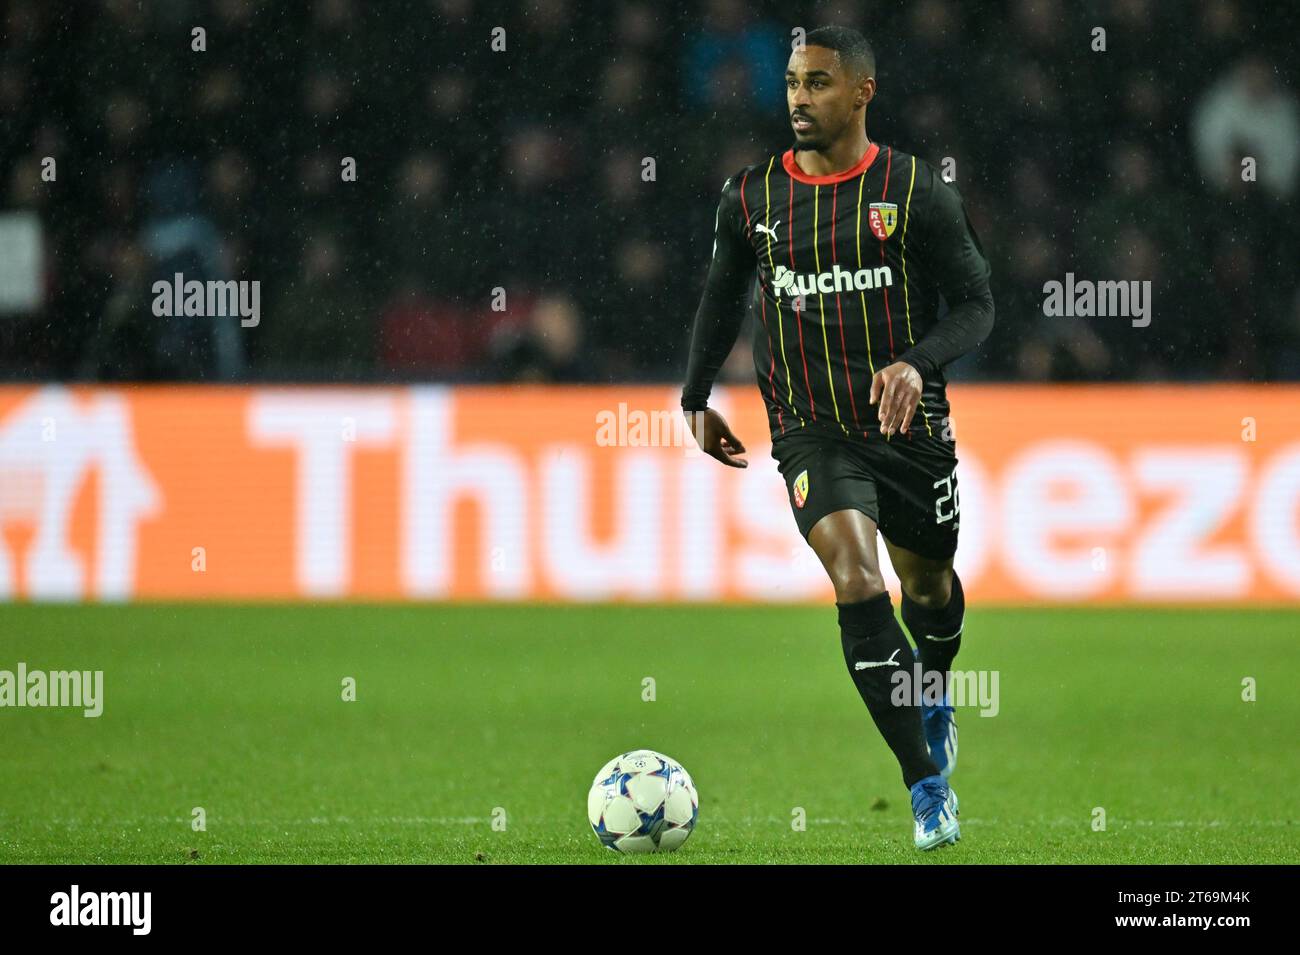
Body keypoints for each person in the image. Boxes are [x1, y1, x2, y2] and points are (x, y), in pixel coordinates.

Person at [680, 25, 993, 851]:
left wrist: (918, 364)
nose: (797, 97)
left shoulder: (915, 191)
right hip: (812, 429)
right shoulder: (748, 198)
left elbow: (976, 305)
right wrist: (696, 393)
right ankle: (926, 784)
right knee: (856, 577)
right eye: (790, 81)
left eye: (817, 82)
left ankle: (934, 686)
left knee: (927, 584)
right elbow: (720, 297)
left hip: (909, 426)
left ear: (861, 91)